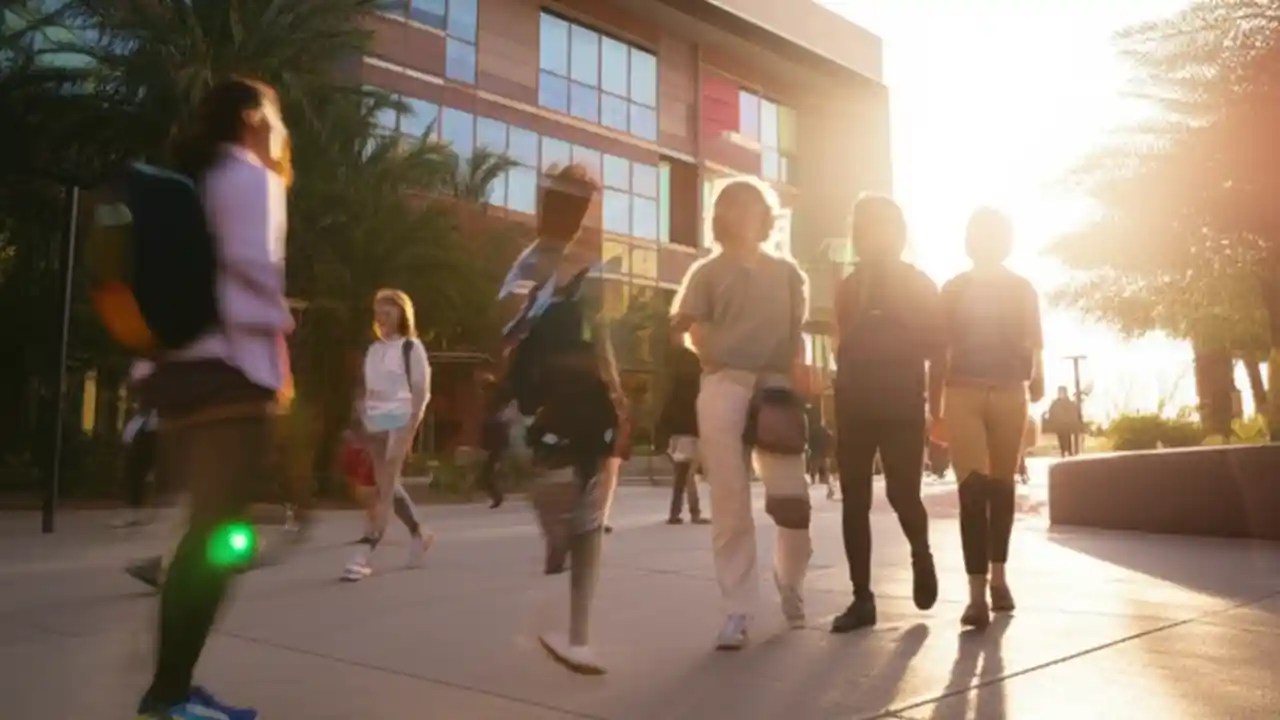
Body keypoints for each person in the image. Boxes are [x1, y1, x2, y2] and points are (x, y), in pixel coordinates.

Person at [133, 78, 294, 720]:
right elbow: (252, 273)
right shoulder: (251, 177)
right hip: (230, 379)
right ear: (254, 118)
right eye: (276, 116)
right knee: (219, 538)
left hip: (178, 381)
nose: (281, 130)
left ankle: (173, 689)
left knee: (208, 534)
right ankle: (169, 697)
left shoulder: (193, 179)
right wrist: (285, 325)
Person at [671, 179, 813, 651]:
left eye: (751, 205)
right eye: (731, 206)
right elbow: (685, 327)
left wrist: (791, 380)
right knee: (730, 502)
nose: (741, 213)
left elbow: (796, 336)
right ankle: (737, 609)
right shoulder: (707, 272)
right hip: (724, 383)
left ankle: (789, 581)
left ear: (765, 214)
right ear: (721, 215)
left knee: (792, 499)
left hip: (774, 387)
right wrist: (711, 347)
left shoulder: (788, 273)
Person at [502, 164, 618, 674]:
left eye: (584, 205)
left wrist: (614, 386)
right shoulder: (527, 265)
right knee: (562, 512)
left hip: (588, 398)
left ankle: (579, 636)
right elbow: (505, 332)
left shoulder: (593, 266)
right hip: (542, 399)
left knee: (588, 519)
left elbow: (603, 333)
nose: (576, 214)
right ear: (548, 206)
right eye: (568, 203)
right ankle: (556, 541)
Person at [829, 195, 941, 633]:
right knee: (854, 500)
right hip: (854, 402)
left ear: (898, 233)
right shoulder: (849, 286)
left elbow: (938, 350)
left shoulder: (919, 284)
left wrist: (936, 406)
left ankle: (921, 553)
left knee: (902, 494)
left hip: (902, 403)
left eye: (881, 227)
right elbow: (842, 342)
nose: (872, 235)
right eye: (865, 227)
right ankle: (862, 598)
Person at [937, 207, 1045, 630]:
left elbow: (1036, 343)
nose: (986, 240)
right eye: (978, 233)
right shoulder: (954, 288)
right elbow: (939, 349)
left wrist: (1036, 384)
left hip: (1008, 391)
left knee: (1002, 487)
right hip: (962, 389)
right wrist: (934, 407)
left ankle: (999, 578)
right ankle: (976, 594)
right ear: (970, 240)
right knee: (971, 489)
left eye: (994, 233)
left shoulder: (1022, 288)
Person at [342, 289, 433, 581]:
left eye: (388, 312)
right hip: (375, 424)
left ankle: (365, 552)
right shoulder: (375, 349)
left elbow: (421, 391)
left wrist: (410, 428)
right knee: (388, 486)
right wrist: (362, 417)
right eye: (378, 313)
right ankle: (419, 533)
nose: (382, 318)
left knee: (383, 489)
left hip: (400, 421)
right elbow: (368, 390)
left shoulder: (412, 347)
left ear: (401, 314)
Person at [657, 340, 708, 525]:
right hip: (692, 434)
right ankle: (691, 512)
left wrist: (663, 435)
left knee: (683, 474)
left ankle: (677, 512)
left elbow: (666, 412)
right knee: (688, 475)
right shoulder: (699, 387)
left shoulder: (676, 387)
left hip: (678, 435)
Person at [114, 360, 160, 529]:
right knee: (136, 471)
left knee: (139, 470)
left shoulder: (150, 412)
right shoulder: (140, 416)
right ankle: (137, 510)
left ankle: (138, 511)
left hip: (153, 430)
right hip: (146, 429)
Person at [1046, 386, 1081, 457]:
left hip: (1067, 424)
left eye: (1062, 392)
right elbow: (1051, 412)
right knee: (1061, 438)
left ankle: (1069, 451)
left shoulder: (1068, 402)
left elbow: (1073, 411)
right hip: (1059, 425)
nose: (1060, 394)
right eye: (1060, 392)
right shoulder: (1055, 403)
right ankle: (1063, 452)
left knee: (1067, 438)